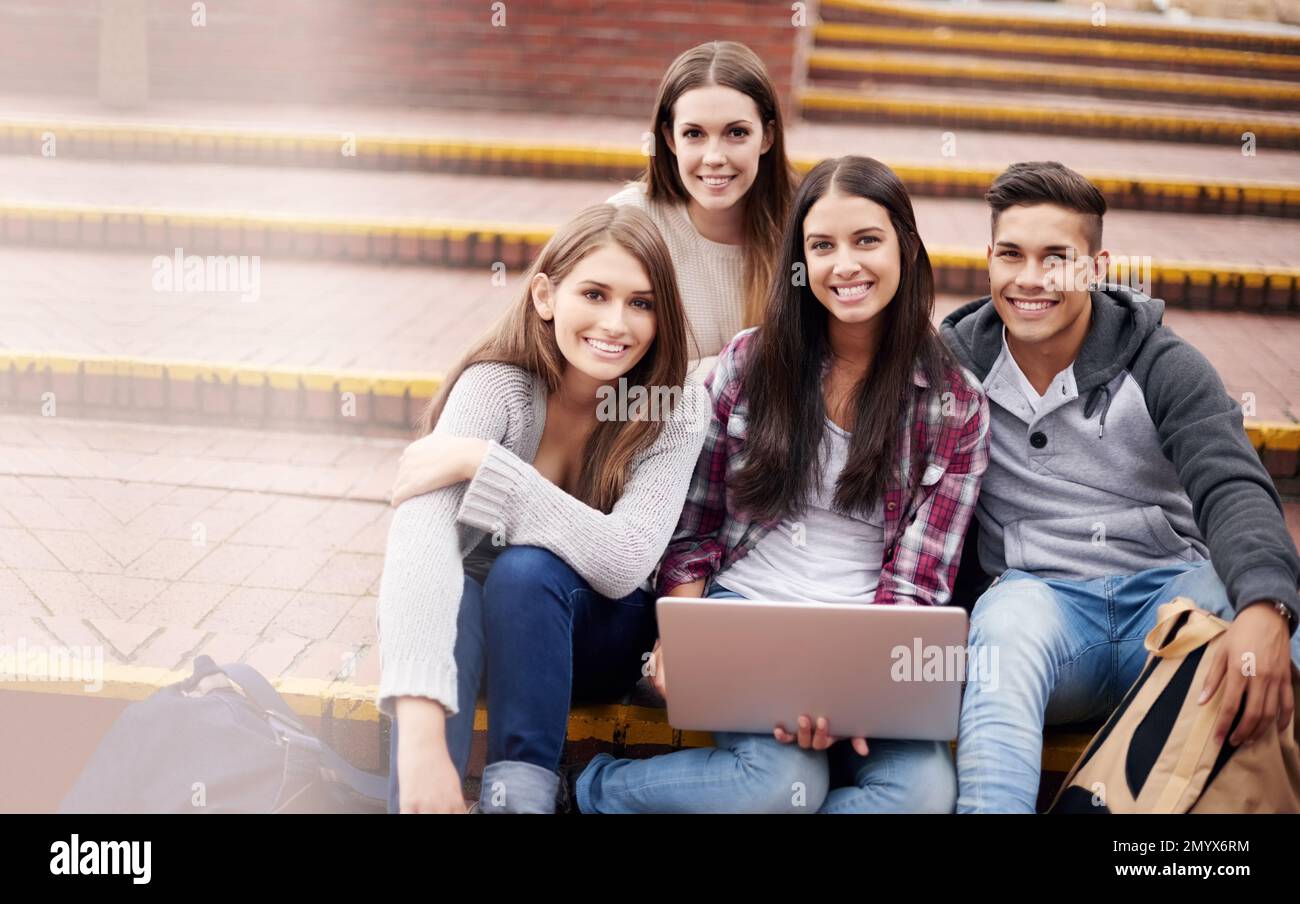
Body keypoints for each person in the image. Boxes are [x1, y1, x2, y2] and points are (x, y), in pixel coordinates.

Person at [573, 156, 989, 814]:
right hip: (746, 618)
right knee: (779, 784)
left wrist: (858, 690)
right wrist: (678, 641)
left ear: (907, 247)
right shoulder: (749, 363)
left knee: (923, 794)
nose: (843, 265)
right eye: (821, 246)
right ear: (799, 261)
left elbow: (920, 581)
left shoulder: (954, 403)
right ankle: (596, 793)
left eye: (866, 240)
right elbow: (696, 528)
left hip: (870, 642)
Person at [940, 160, 1300, 814]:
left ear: (1096, 268)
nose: (1030, 278)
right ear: (988, 259)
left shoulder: (1161, 362)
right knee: (1002, 632)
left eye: (1057, 257)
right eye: (1012, 255)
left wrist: (1267, 607)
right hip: (1043, 608)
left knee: (1269, 624)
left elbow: (1232, 485)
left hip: (1167, 597)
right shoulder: (954, 369)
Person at [378, 203, 709, 813]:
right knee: (457, 590)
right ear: (545, 295)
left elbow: (625, 559)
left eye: (642, 303)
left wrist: (486, 464)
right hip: (483, 642)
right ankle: (424, 794)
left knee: (524, 570)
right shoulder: (495, 386)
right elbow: (420, 540)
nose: (617, 323)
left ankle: (517, 803)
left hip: (600, 637)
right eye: (595, 294)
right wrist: (419, 740)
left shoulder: (676, 404)